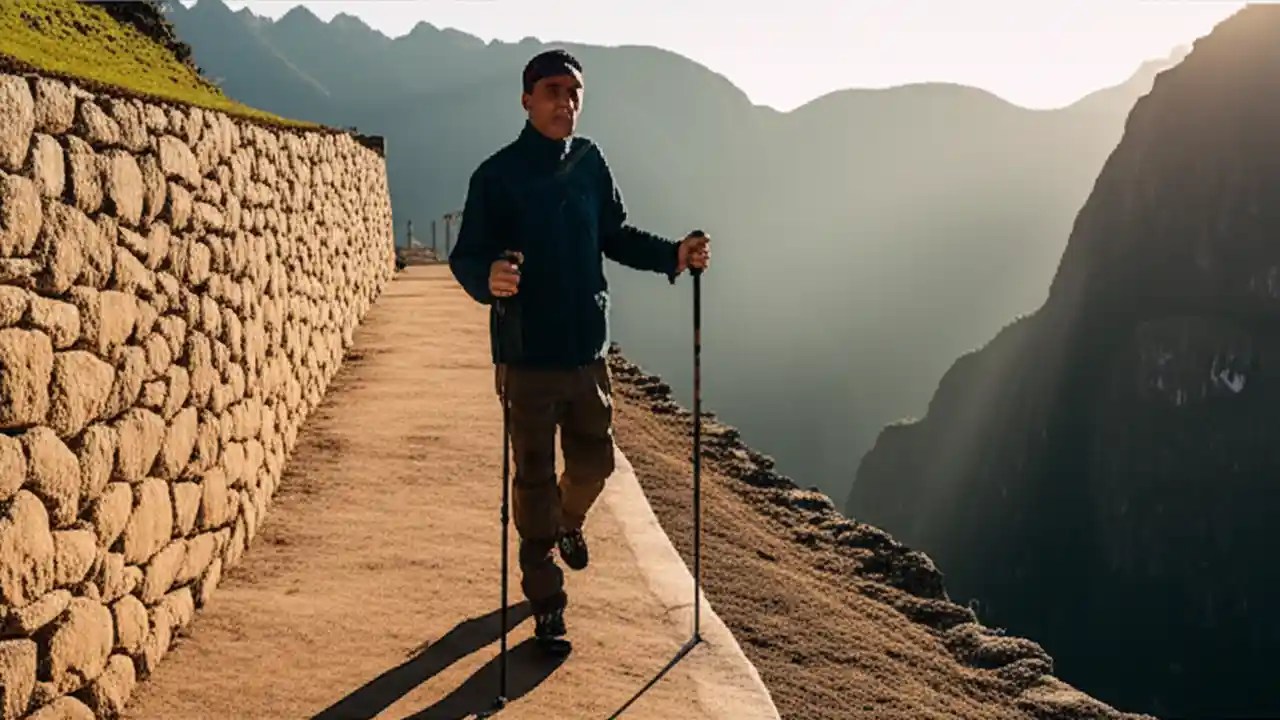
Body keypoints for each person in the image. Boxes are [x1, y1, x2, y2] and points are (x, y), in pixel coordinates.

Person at [449, 48, 711, 651]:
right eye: (551, 91)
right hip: (527, 355)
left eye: (573, 91)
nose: (564, 101)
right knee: (534, 477)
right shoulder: (497, 175)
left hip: (587, 353)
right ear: (526, 100)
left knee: (595, 464)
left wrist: (673, 253)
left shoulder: (591, 163)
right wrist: (487, 276)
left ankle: (568, 523)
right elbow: (467, 256)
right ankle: (545, 597)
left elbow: (614, 234)